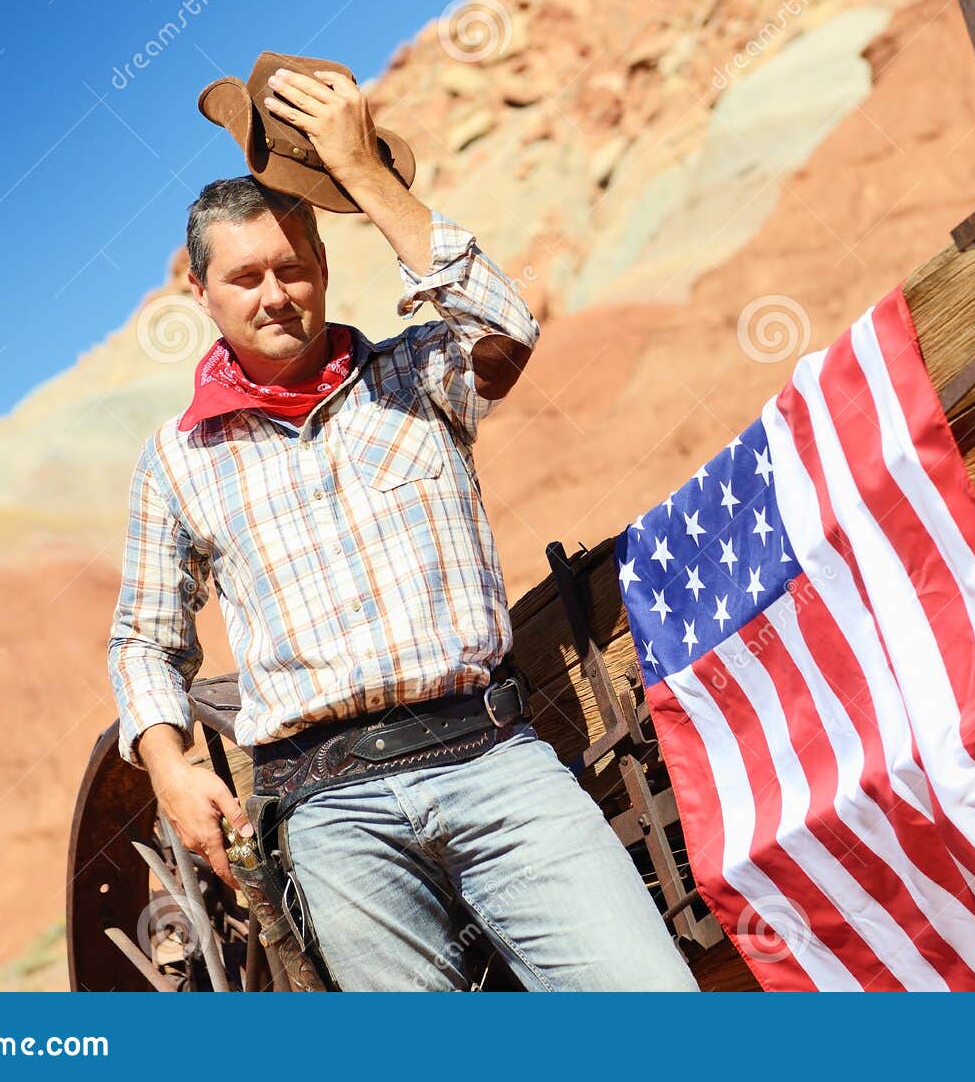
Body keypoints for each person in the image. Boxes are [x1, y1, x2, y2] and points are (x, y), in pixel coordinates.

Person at [107, 66, 697, 992]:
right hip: (329, 811)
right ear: (200, 293)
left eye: (294, 267)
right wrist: (171, 766)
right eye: (246, 276)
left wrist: (364, 175)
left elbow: (506, 324)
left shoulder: (420, 373)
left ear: (326, 267)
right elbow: (145, 639)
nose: (275, 294)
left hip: (495, 765)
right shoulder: (176, 461)